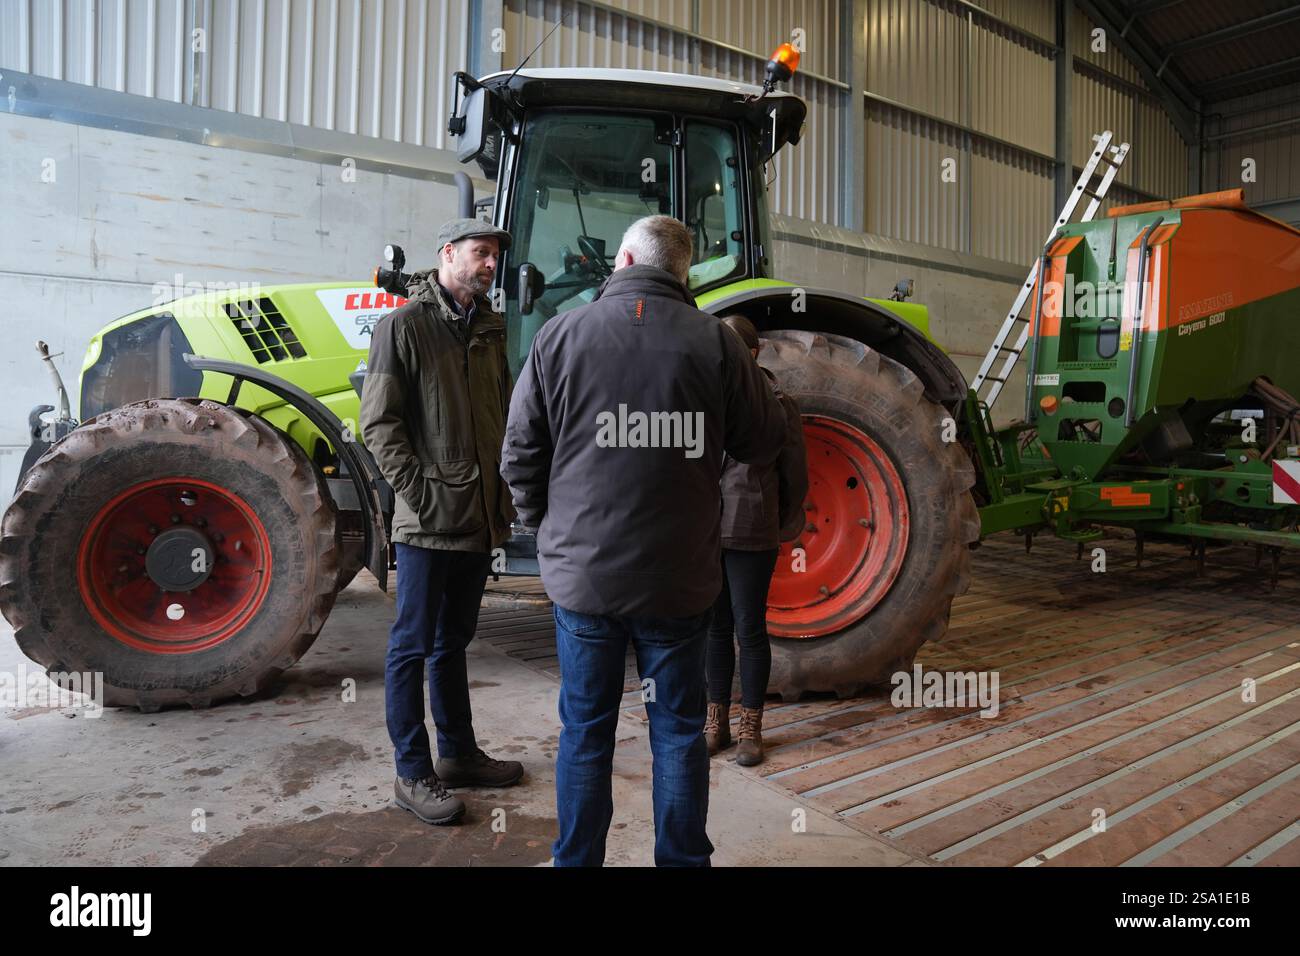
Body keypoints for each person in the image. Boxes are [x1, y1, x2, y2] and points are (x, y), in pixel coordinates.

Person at [501, 215, 787, 867]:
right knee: (680, 733)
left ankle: (578, 863)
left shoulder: (561, 335)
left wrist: (546, 528)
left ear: (625, 256)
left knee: (586, 733)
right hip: (679, 583)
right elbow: (763, 442)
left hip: (585, 585)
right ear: (684, 273)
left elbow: (518, 453)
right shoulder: (716, 344)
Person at [360, 218, 524, 827]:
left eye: (493, 257)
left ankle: (457, 752)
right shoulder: (402, 327)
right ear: (447, 255)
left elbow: (504, 418)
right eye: (479, 254)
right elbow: (379, 425)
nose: (488, 265)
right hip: (430, 521)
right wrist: (420, 495)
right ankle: (412, 771)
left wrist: (504, 495)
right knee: (410, 646)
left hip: (479, 517)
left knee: (453, 642)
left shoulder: (488, 329)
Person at [705, 315, 808, 767]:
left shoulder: (777, 402)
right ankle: (716, 721)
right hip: (707, 531)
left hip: (750, 531)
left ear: (752, 354)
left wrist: (774, 522)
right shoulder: (702, 399)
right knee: (714, 629)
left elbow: (795, 477)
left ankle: (752, 727)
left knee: (748, 630)